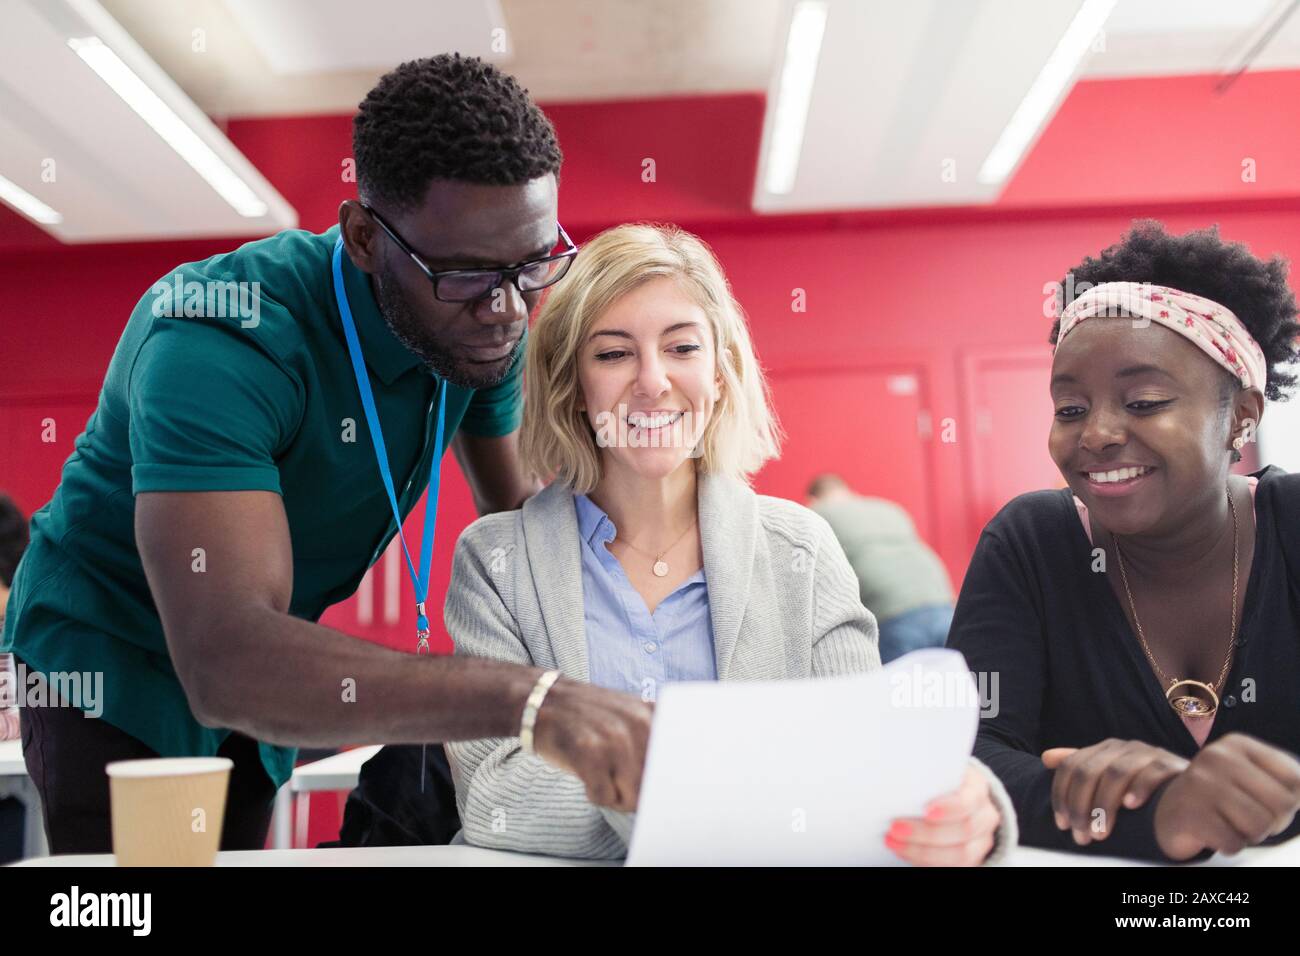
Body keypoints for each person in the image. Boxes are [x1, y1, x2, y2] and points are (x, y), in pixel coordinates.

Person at [0, 55, 652, 854]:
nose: (508, 308)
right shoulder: (218, 337)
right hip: (113, 656)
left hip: (271, 647)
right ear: (365, 237)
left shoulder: (482, 325)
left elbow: (521, 523)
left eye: (531, 265)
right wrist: (533, 703)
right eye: (466, 275)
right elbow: (226, 659)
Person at [443, 223, 1017, 864]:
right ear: (573, 387)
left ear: (719, 374)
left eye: (682, 348)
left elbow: (864, 756)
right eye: (612, 354)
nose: (653, 382)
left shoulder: (801, 547)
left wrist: (969, 806)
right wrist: (748, 799)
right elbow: (497, 794)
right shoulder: (495, 561)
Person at [947, 220, 1300, 861]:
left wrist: (1251, 803)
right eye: (1071, 409)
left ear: (1242, 417)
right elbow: (967, 761)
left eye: (1144, 401)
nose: (1098, 434)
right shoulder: (1031, 543)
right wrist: (1162, 814)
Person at [807, 474, 955, 662]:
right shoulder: (889, 508)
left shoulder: (818, 513)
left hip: (892, 612)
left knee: (896, 688)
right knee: (951, 685)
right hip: (941, 602)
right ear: (851, 493)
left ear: (813, 500)